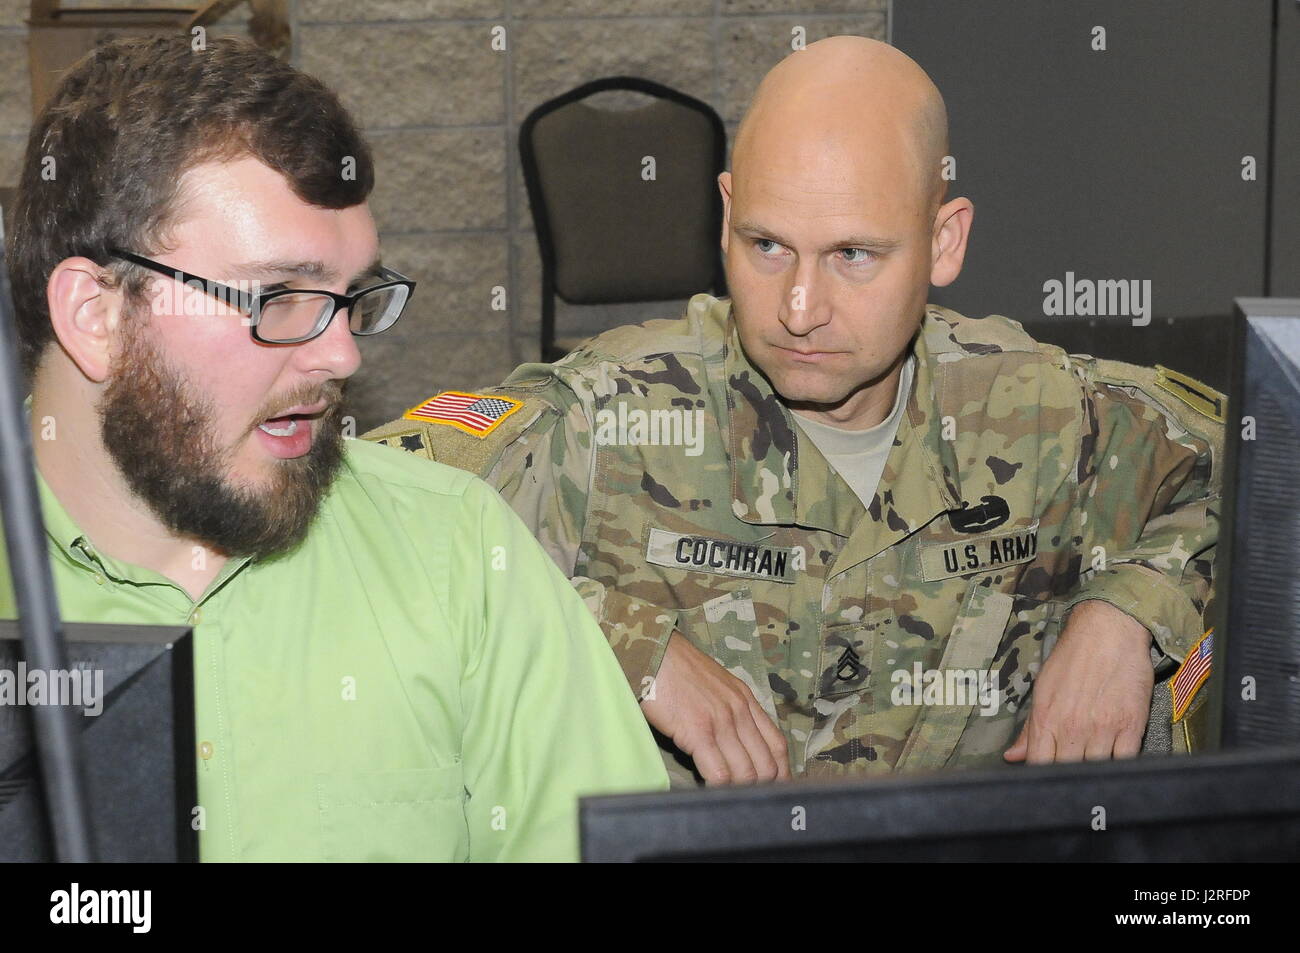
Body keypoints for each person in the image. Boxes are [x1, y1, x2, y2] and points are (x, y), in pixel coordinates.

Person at [365, 36, 1224, 786]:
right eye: (766, 245)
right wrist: (630, 644)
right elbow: (355, 522)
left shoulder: (1039, 415)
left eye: (854, 254)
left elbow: (1262, 457)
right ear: (727, 213)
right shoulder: (612, 419)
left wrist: (1131, 609)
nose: (800, 306)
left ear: (946, 240)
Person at [0, 35, 667, 860]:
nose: (342, 354)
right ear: (95, 314)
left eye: (351, 298)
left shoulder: (462, 557)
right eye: (278, 296)